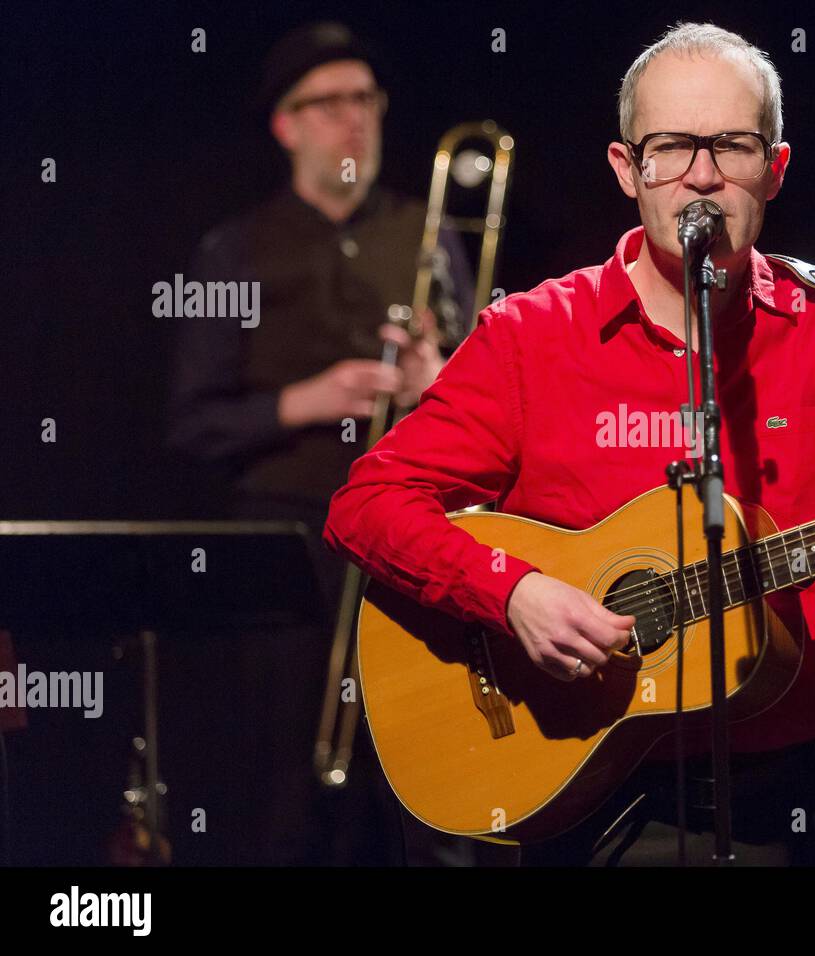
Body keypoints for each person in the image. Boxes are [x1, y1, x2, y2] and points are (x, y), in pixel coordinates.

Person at [324, 22, 815, 866]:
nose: (702, 175)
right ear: (628, 169)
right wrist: (511, 593)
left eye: (732, 146)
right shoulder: (533, 334)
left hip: (800, 801)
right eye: (671, 147)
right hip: (591, 793)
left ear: (775, 168)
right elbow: (365, 505)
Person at [168, 22, 475, 865]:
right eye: (329, 103)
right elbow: (193, 423)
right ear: (286, 125)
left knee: (424, 794)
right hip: (289, 550)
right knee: (284, 801)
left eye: (365, 99)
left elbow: (488, 402)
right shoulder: (231, 250)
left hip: (413, 534)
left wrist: (433, 379)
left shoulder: (426, 233)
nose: (354, 121)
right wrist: (307, 400)